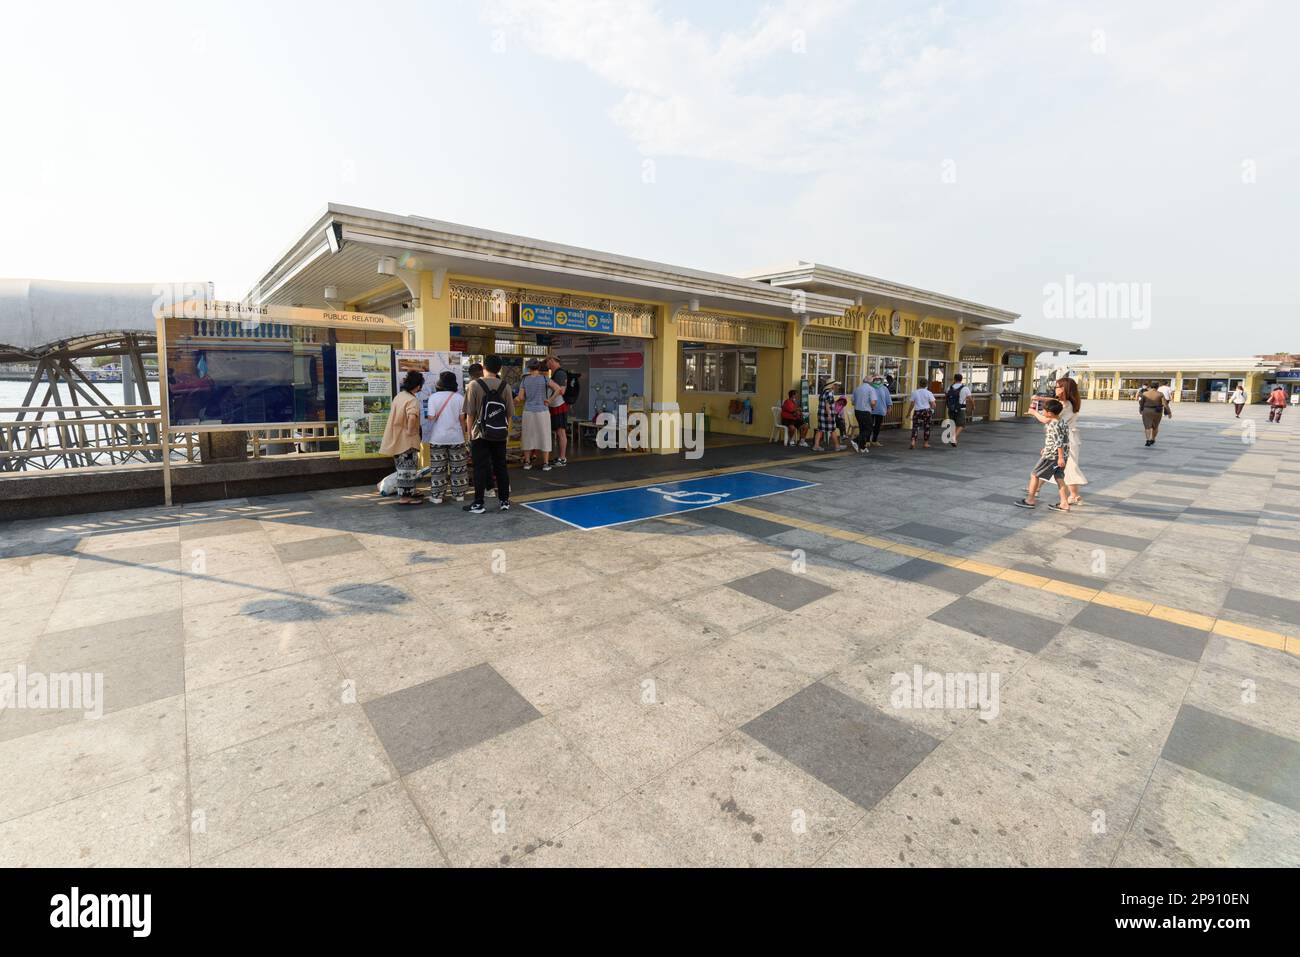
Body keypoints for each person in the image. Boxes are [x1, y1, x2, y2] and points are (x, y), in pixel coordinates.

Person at [463, 355, 514, 513]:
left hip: (480, 434)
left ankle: (478, 503)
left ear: (484, 368)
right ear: (499, 369)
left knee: (480, 467)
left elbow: (470, 413)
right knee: (501, 466)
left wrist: (469, 434)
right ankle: (504, 501)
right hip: (499, 433)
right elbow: (509, 414)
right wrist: (506, 432)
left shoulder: (474, 385)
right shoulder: (505, 386)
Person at [1031, 377, 1087, 506]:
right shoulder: (1068, 402)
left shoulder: (1066, 405)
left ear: (1064, 389)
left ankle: (1074, 495)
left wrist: (1033, 412)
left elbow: (1047, 419)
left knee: (1069, 468)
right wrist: (1040, 399)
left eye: (1058, 386)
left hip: (1067, 440)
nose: (1055, 389)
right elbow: (1054, 400)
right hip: (1067, 438)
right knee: (1056, 467)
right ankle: (1037, 488)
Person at [1014, 398, 1071, 512]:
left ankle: (1030, 500)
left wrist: (1058, 457)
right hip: (1062, 455)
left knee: (1035, 474)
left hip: (1051, 457)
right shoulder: (1062, 421)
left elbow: (1058, 441)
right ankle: (1064, 503)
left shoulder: (1053, 424)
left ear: (1049, 413)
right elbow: (1061, 438)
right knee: (1059, 478)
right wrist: (1049, 449)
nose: (1042, 412)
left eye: (1043, 410)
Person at [379, 370, 425, 505]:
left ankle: (409, 492)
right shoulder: (412, 400)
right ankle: (405, 497)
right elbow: (411, 418)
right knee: (407, 469)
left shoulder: (399, 396)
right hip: (407, 441)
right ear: (418, 386)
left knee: (402, 468)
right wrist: (411, 432)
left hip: (397, 439)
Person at [426, 370, 468, 505]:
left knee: (438, 468)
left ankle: (437, 497)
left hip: (438, 438)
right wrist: (464, 435)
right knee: (458, 467)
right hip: (456, 437)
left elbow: (431, 418)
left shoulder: (434, 397)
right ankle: (459, 495)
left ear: (440, 383)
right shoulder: (459, 398)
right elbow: (462, 420)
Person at [516, 359, 558, 471]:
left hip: (528, 412)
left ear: (528, 368)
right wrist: (550, 400)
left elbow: (520, 397)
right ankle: (545, 463)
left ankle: (527, 462)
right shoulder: (545, 379)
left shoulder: (524, 380)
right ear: (539, 367)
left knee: (527, 436)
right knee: (544, 435)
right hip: (542, 411)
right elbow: (558, 389)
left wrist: (516, 399)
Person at [545, 355, 570, 466]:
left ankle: (563, 458)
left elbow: (561, 391)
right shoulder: (557, 373)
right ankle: (561, 457)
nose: (547, 365)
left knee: (561, 432)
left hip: (559, 406)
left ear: (552, 361)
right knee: (559, 432)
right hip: (556, 406)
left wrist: (550, 400)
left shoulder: (560, 373)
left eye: (547, 362)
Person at [907, 381, 937, 450]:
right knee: (927, 427)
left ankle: (913, 442)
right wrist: (932, 409)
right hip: (926, 411)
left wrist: (908, 413)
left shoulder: (915, 392)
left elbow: (912, 404)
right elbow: (933, 404)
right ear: (926, 385)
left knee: (915, 427)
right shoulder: (929, 393)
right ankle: (926, 443)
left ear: (919, 384)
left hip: (917, 411)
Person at [813, 380, 841, 452]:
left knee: (820, 430)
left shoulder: (823, 392)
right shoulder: (830, 393)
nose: (836, 386)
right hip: (826, 415)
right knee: (832, 430)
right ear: (832, 385)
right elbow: (827, 405)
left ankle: (816, 446)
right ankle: (837, 446)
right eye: (835, 385)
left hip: (820, 414)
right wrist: (829, 415)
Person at [945, 373, 972, 447]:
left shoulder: (949, 387)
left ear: (954, 379)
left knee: (953, 424)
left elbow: (946, 396)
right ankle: (953, 438)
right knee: (961, 424)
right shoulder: (965, 388)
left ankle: (954, 439)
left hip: (951, 408)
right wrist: (973, 406)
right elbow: (970, 399)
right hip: (961, 409)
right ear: (961, 379)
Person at [851, 376, 876, 453]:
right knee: (869, 429)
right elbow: (873, 402)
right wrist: (873, 407)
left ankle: (862, 447)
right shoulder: (871, 389)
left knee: (862, 428)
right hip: (865, 411)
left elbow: (852, 402)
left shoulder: (857, 389)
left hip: (857, 411)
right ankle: (855, 440)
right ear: (870, 382)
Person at [1137, 381, 1166, 446]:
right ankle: (1153, 439)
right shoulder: (1160, 394)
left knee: (1147, 426)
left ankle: (1148, 440)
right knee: (1155, 427)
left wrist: (1141, 409)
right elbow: (1164, 403)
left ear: (1150, 386)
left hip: (1147, 410)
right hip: (1157, 411)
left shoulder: (1145, 393)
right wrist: (1168, 412)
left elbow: (1141, 403)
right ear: (1157, 387)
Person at [866, 375, 891, 447]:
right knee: (869, 426)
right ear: (873, 380)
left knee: (877, 426)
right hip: (870, 410)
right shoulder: (870, 388)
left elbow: (888, 399)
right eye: (875, 379)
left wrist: (889, 407)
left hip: (881, 410)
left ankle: (874, 440)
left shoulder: (884, 388)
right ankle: (867, 440)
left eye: (878, 379)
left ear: (881, 380)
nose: (877, 380)